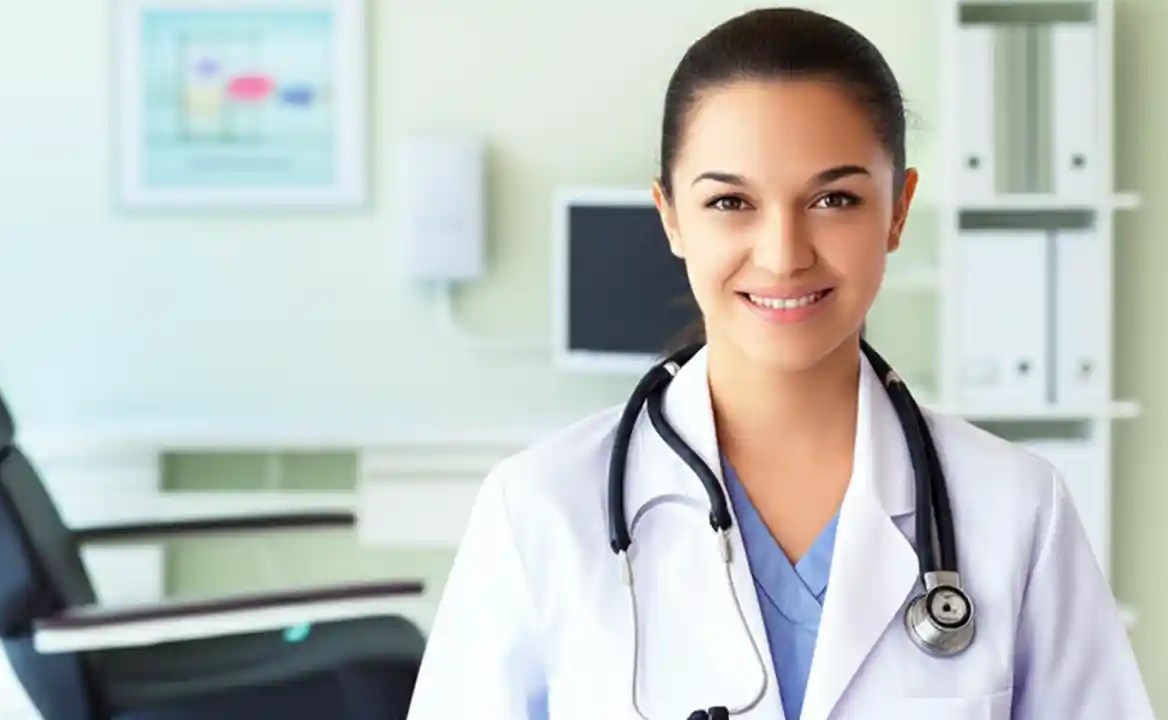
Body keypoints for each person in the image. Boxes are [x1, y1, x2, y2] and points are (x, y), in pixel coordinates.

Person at [406, 7, 1153, 719]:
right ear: (670, 218)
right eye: (731, 204)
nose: (784, 254)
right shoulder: (538, 511)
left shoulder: (1016, 510)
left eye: (833, 199)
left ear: (897, 211)